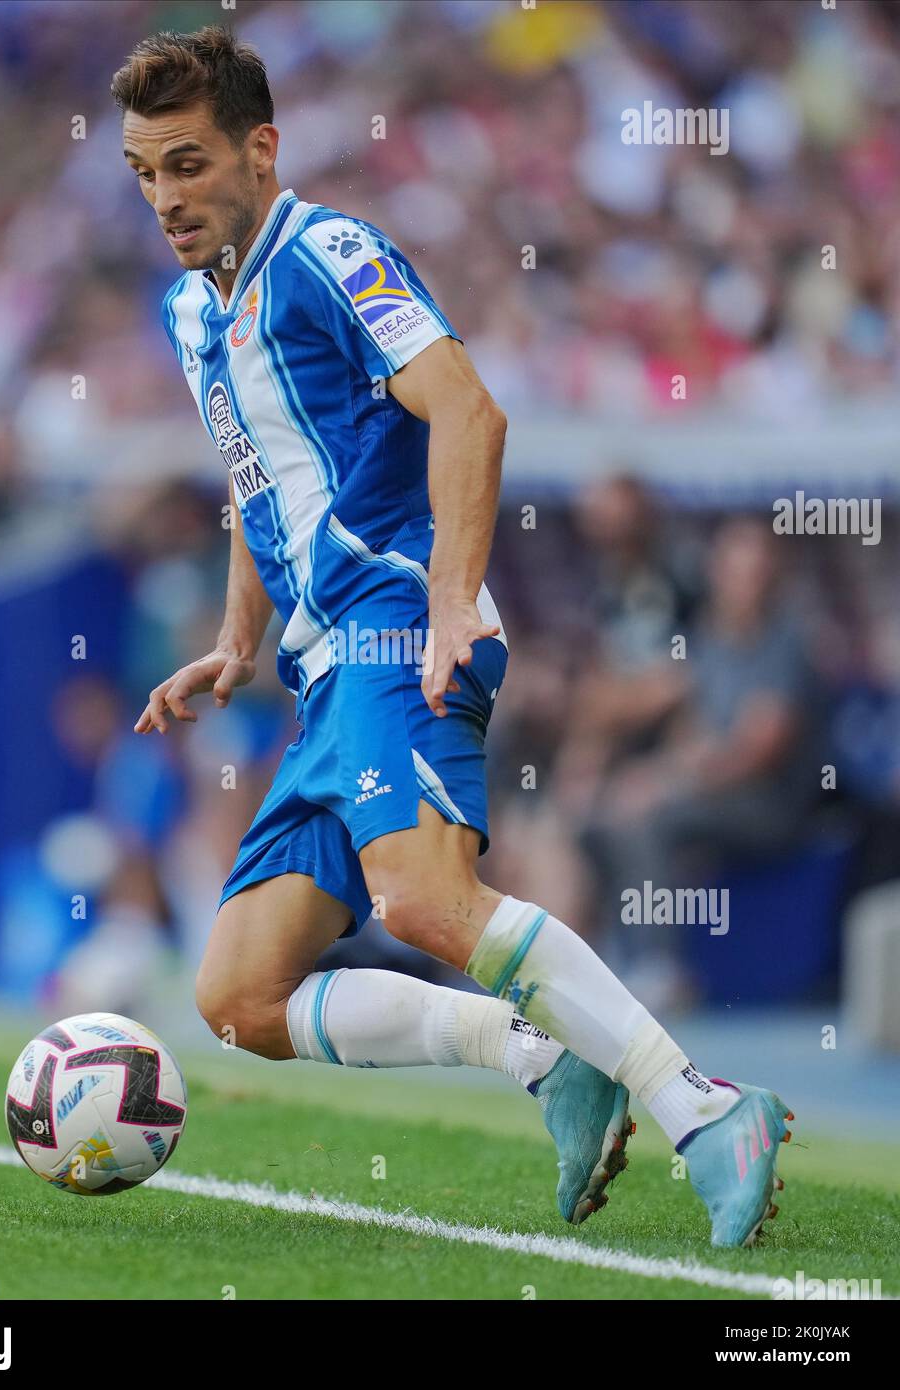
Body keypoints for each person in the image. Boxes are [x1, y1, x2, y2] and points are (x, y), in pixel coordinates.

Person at [114, 25, 790, 1246]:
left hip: (394, 624)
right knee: (239, 995)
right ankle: (544, 1056)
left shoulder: (329, 252)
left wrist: (445, 597)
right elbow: (258, 479)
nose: (164, 196)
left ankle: (704, 1108)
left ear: (260, 150)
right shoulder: (189, 310)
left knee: (425, 900)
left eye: (188, 163)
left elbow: (470, 413)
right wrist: (236, 637)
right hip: (319, 673)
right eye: (145, 172)